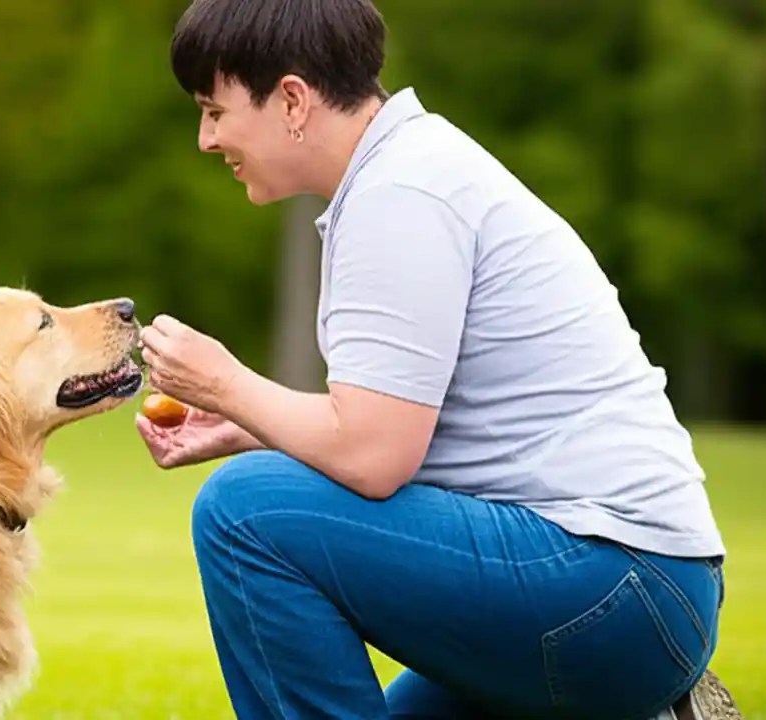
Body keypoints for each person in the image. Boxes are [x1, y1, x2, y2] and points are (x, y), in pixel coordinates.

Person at [134, 1, 727, 718]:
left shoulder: (401, 193)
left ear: (291, 99)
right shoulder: (410, 171)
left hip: (611, 585)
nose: (205, 138)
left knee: (242, 510)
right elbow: (412, 421)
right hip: (632, 591)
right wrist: (248, 422)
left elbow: (374, 454)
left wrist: (226, 382)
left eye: (214, 109)